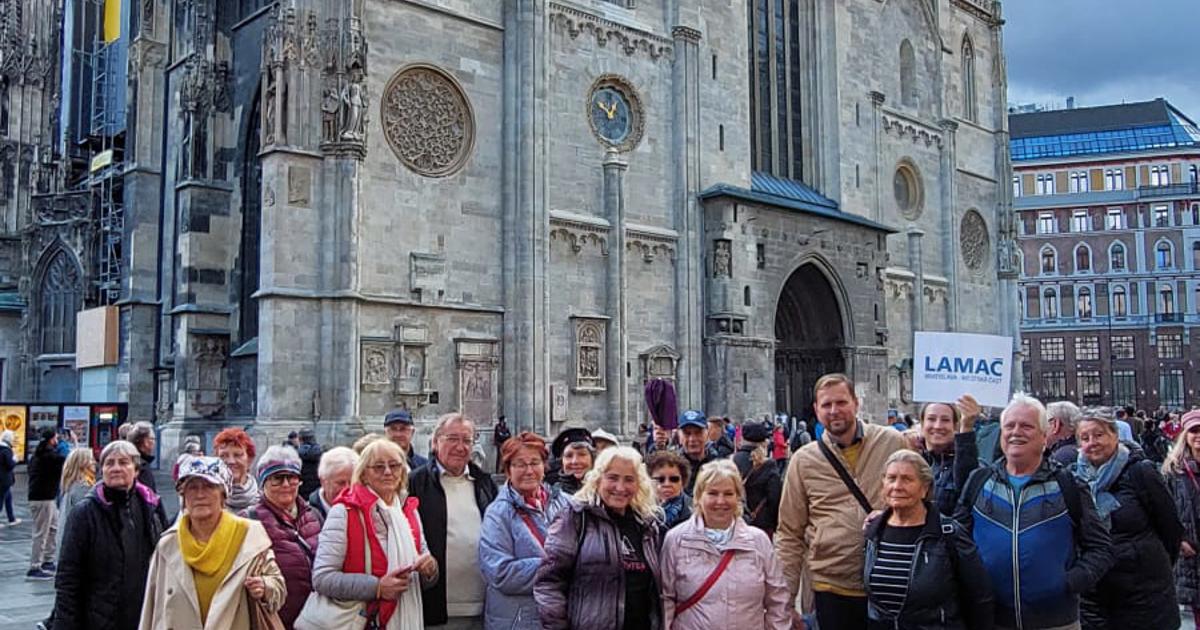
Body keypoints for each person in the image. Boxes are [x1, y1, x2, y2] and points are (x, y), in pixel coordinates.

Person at [954, 393, 1113, 630]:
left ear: (1044, 436)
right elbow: (957, 542)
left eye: (1026, 426)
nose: (1016, 432)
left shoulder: (1067, 485)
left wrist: (1069, 582)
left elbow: (1101, 548)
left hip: (1056, 622)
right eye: (1010, 426)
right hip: (992, 620)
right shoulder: (979, 482)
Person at [775, 373, 907, 629]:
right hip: (831, 586)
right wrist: (785, 602)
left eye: (841, 402)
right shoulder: (803, 461)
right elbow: (789, 534)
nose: (834, 411)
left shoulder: (892, 443)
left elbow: (920, 498)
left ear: (856, 403)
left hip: (889, 580)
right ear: (816, 410)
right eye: (826, 405)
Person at [140, 455, 286, 629]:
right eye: (192, 487)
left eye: (209, 486)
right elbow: (151, 609)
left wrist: (264, 587)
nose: (200, 494)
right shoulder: (168, 545)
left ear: (224, 495)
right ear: (183, 496)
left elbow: (278, 586)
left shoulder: (248, 537)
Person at [309, 439, 437, 630]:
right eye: (378, 467)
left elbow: (423, 565)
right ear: (364, 474)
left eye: (394, 465)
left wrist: (430, 569)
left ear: (403, 471)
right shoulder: (344, 512)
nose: (388, 472)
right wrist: (377, 587)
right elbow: (322, 578)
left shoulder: (408, 510)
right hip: (364, 621)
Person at [534, 446, 664, 630]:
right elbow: (549, 582)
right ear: (598, 479)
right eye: (612, 478)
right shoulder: (575, 517)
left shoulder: (646, 525)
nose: (620, 487)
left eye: (629, 479)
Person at [1072, 415, 1180, 630]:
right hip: (1096, 598)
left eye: (1099, 435)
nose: (1092, 442)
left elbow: (1170, 527)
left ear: (1115, 436)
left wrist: (1148, 562)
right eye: (1085, 438)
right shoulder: (1073, 478)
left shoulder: (1140, 471)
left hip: (1146, 593)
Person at [864, 450, 993, 630]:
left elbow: (979, 596)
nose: (897, 486)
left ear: (925, 488)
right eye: (891, 478)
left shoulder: (949, 534)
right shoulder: (874, 532)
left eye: (907, 479)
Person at [52, 441, 168, 630]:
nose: (116, 468)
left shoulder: (151, 505)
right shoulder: (85, 513)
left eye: (123, 462)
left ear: (136, 470)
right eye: (109, 463)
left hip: (143, 617)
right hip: (99, 620)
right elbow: (68, 577)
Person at [661, 459, 790, 629]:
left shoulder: (758, 541)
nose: (720, 501)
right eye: (712, 493)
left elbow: (778, 598)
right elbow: (666, 600)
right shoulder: (676, 540)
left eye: (728, 494)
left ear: (738, 498)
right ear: (699, 497)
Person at [408, 412, 499, 628]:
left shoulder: (484, 483)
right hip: (434, 605)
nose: (460, 447)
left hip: (483, 605)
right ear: (435, 442)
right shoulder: (416, 483)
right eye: (452, 439)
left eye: (467, 440)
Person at [478, 432, 571, 630]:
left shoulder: (563, 503)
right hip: (518, 620)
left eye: (535, 463)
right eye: (520, 464)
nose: (529, 471)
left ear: (544, 466)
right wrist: (554, 566)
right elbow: (501, 573)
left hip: (559, 616)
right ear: (508, 470)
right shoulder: (498, 513)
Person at [244, 445, 325, 628]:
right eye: (277, 479)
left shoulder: (314, 515)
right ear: (263, 482)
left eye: (292, 477)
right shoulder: (249, 520)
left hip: (316, 620)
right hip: (275, 620)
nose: (286, 485)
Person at [1163, 409, 1200, 627]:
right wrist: (1179, 540)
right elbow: (1164, 510)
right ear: (1185, 435)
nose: (1198, 436)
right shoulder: (1174, 470)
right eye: (1194, 431)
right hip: (1192, 550)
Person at [919, 395, 982, 516]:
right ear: (922, 424)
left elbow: (966, 486)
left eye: (945, 420)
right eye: (931, 419)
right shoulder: (915, 459)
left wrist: (967, 427)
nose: (938, 426)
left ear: (956, 426)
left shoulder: (965, 459)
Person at [27, 428, 67, 580]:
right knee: (41, 532)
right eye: (56, 438)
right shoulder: (49, 456)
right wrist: (74, 443)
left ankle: (48, 560)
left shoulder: (38, 455)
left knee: (52, 528)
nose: (57, 440)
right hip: (43, 498)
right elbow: (66, 461)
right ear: (51, 439)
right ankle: (35, 566)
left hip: (44, 497)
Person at [734, 421, 782, 536]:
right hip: (761, 522)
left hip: (737, 520)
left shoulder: (732, 460)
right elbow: (774, 496)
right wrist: (775, 522)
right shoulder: (768, 465)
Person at [56, 448, 96, 551]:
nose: (94, 462)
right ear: (82, 464)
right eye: (91, 459)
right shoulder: (83, 487)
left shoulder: (71, 484)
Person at [214, 427, 261, 512]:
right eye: (223, 456)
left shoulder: (266, 503)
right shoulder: (206, 502)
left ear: (249, 459)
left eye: (237, 455)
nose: (231, 461)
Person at [308, 445, 358, 519]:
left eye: (352, 483)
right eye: (341, 483)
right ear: (323, 482)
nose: (348, 489)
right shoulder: (306, 516)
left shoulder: (365, 511)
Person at [646, 450, 692, 529]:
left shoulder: (695, 512)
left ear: (683, 481)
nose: (667, 484)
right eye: (660, 479)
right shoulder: (640, 512)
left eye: (674, 479)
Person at [678, 410, 718, 495]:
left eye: (698, 433)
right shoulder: (673, 467)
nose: (692, 439)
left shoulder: (718, 465)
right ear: (679, 436)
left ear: (707, 434)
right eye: (687, 433)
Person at [551, 428, 595, 495]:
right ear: (562, 461)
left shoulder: (604, 491)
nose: (575, 461)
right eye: (569, 456)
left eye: (582, 454)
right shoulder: (551, 495)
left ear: (592, 459)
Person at [1045, 400, 1081, 466]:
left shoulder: (1062, 456)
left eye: (1045, 422)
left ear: (1056, 424)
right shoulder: (1079, 448)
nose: (1043, 428)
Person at [127, 421, 158, 492]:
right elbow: (148, 495)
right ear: (145, 442)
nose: (154, 442)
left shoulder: (129, 460)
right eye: (152, 439)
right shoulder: (142, 466)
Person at [297, 428, 323, 498]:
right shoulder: (322, 454)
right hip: (317, 489)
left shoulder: (296, 455)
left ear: (301, 440)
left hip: (302, 489)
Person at [0, 430, 15, 526]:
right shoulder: (6, 450)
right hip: (4, 480)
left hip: (3, 479)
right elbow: (10, 465)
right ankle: (11, 519)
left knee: (8, 498)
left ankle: (11, 518)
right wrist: (15, 460)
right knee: (1, 499)